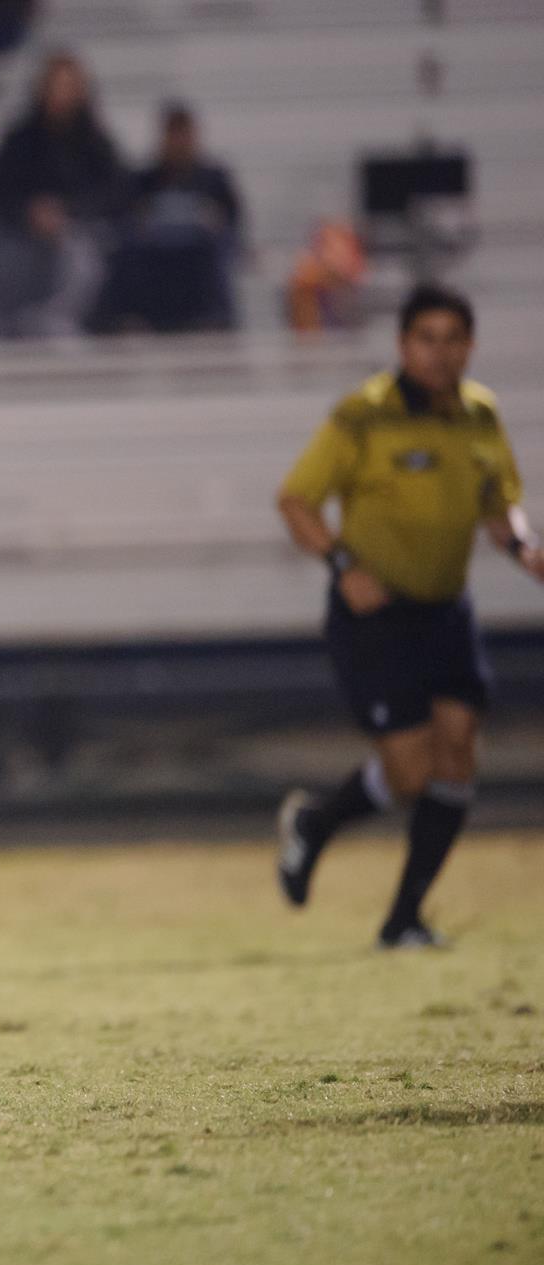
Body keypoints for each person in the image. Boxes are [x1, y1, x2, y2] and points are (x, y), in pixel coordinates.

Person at [274, 285, 544, 949]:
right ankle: (316, 823)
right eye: (427, 338)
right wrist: (343, 565)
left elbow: (498, 502)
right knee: (410, 773)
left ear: (469, 347)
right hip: (377, 617)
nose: (440, 353)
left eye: (453, 339)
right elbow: (297, 500)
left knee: (458, 752)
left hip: (446, 611)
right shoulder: (364, 415)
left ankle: (403, 920)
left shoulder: (480, 415)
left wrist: (523, 546)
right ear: (403, 345)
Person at [0, 51, 121, 338]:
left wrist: (68, 212)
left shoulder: (95, 142)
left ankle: (60, 322)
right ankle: (12, 326)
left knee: (82, 258)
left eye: (67, 87)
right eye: (55, 87)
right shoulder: (19, 140)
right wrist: (29, 212)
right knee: (2, 257)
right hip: (22, 232)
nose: (60, 95)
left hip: (77, 230)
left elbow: (112, 191)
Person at [87, 103, 243, 334]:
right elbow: (123, 217)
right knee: (124, 248)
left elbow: (233, 221)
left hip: (199, 251)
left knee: (217, 249)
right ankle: (126, 317)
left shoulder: (214, 179)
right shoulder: (143, 179)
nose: (179, 143)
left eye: (184, 135)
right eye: (174, 135)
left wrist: (215, 220)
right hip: (155, 253)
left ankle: (214, 318)